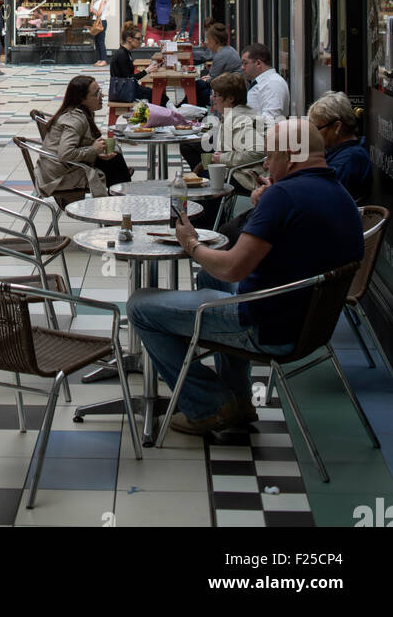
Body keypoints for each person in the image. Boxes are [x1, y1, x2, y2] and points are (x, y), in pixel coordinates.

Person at [127, 118, 364, 434]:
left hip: (267, 326)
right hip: (309, 320)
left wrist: (191, 243)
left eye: (270, 155)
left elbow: (232, 267)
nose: (265, 163)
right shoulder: (339, 194)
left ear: (292, 155)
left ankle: (208, 405)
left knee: (141, 305)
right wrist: (267, 206)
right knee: (210, 282)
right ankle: (239, 398)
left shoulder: (285, 197)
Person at [36, 75, 133, 205]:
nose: (102, 95)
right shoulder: (75, 120)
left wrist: (97, 153)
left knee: (115, 160)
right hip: (58, 177)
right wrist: (93, 150)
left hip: (62, 168)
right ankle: (123, 207)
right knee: (115, 166)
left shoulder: (82, 113)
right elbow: (65, 153)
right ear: (82, 99)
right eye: (96, 93)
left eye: (100, 90)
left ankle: (121, 206)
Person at [307, 92, 372, 202]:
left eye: (317, 128)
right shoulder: (349, 151)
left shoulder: (348, 160)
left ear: (337, 127)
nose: (313, 133)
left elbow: (318, 199)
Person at [194, 21, 241, 106]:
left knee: (197, 89)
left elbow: (213, 81)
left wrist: (206, 79)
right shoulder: (227, 49)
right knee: (198, 85)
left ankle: (185, 110)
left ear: (214, 41)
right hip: (231, 86)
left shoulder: (221, 54)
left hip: (230, 91)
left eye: (208, 39)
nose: (206, 42)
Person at [241, 43, 290, 125]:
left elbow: (271, 119)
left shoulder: (273, 83)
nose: (242, 67)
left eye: (245, 63)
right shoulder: (263, 82)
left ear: (258, 63)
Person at [109, 22, 153, 102]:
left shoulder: (125, 52)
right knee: (155, 94)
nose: (141, 42)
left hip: (125, 88)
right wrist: (146, 71)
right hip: (123, 92)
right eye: (138, 39)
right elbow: (129, 79)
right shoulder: (122, 54)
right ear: (129, 39)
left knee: (154, 92)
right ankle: (173, 112)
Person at [90, 0, 108, 66]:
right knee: (96, 42)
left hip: (101, 22)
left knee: (101, 41)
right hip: (95, 22)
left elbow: (99, 13)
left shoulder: (103, 0)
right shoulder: (96, 0)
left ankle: (104, 60)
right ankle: (99, 59)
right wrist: (92, 0)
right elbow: (91, 9)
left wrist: (93, 11)